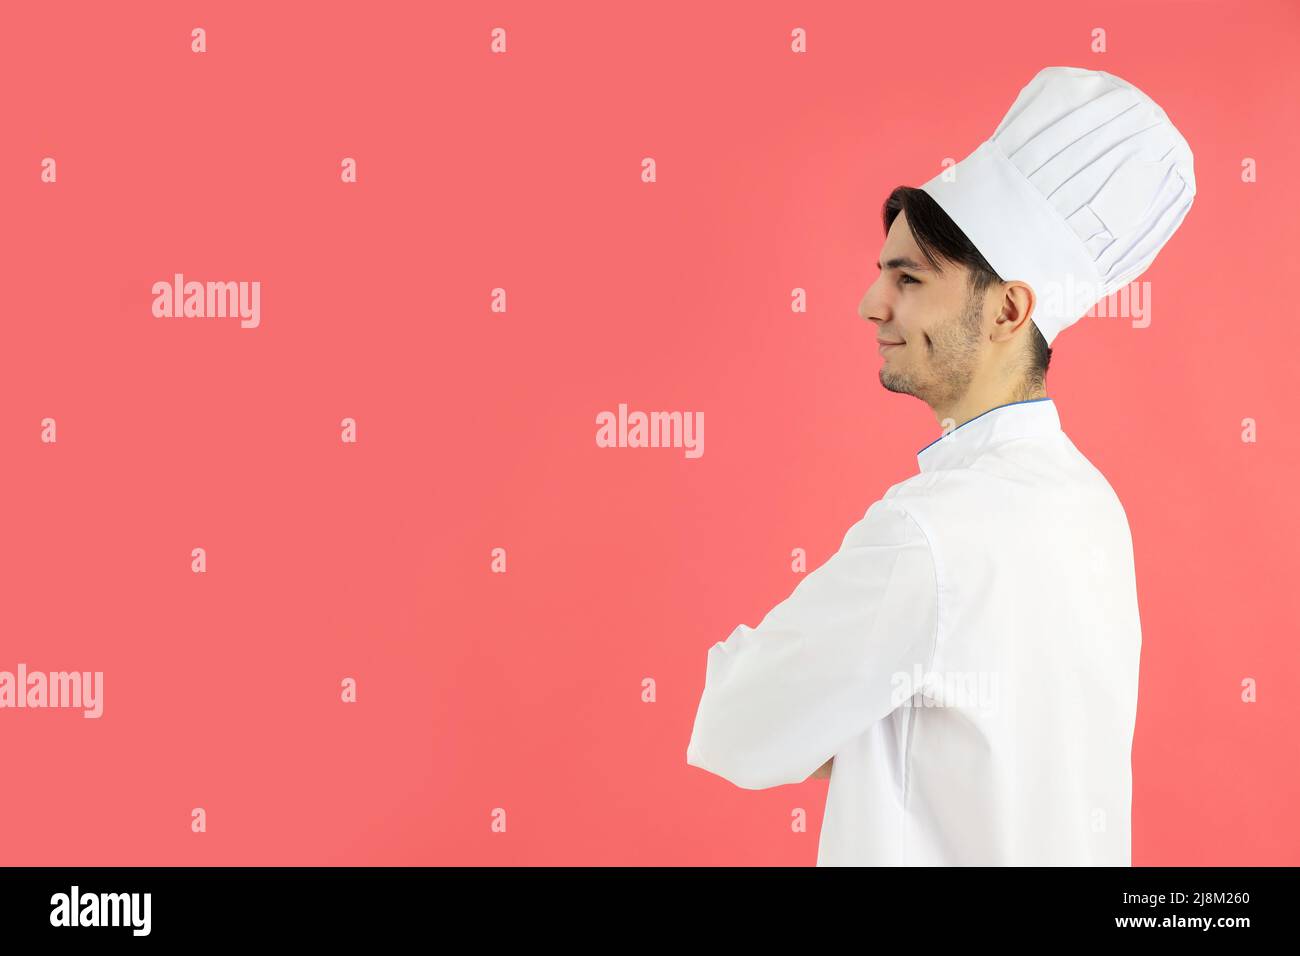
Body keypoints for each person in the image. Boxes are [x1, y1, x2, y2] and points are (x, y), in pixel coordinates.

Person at [685, 66, 1196, 865]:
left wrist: (843, 715)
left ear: (1008, 309)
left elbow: (735, 725)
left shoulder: (927, 534)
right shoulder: (1093, 506)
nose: (871, 303)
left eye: (909, 278)